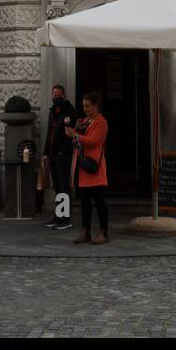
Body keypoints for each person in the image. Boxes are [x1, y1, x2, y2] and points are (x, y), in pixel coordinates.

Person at [65, 91, 109, 245]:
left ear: (96, 106)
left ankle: (104, 231)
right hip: (83, 167)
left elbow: (93, 141)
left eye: (88, 106)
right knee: (84, 202)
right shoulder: (85, 121)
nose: (85, 109)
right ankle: (86, 230)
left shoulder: (101, 123)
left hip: (94, 167)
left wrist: (75, 135)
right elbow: (79, 143)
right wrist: (77, 130)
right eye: (84, 106)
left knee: (99, 201)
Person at [43, 84, 78, 231]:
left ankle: (66, 218)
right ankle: (59, 215)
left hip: (63, 155)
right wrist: (46, 152)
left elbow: (70, 134)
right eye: (54, 95)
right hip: (52, 154)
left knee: (64, 186)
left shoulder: (69, 111)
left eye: (59, 95)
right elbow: (49, 133)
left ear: (64, 96)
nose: (56, 97)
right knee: (57, 186)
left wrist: (63, 151)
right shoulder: (53, 112)